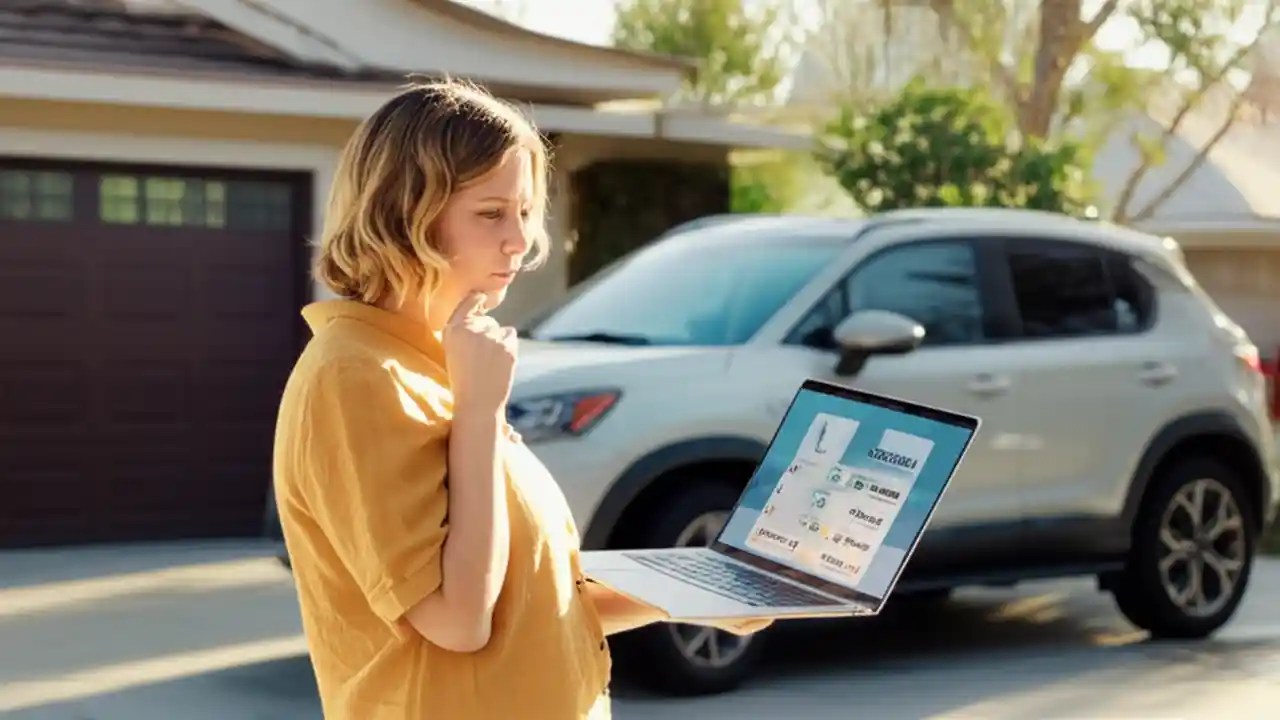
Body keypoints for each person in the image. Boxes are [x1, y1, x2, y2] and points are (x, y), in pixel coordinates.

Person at [271, 79, 771, 720]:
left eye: (526, 211)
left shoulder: (436, 367)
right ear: (404, 213)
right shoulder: (355, 378)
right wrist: (479, 415)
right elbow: (458, 621)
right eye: (491, 213)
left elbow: (529, 608)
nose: (521, 240)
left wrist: (697, 594)